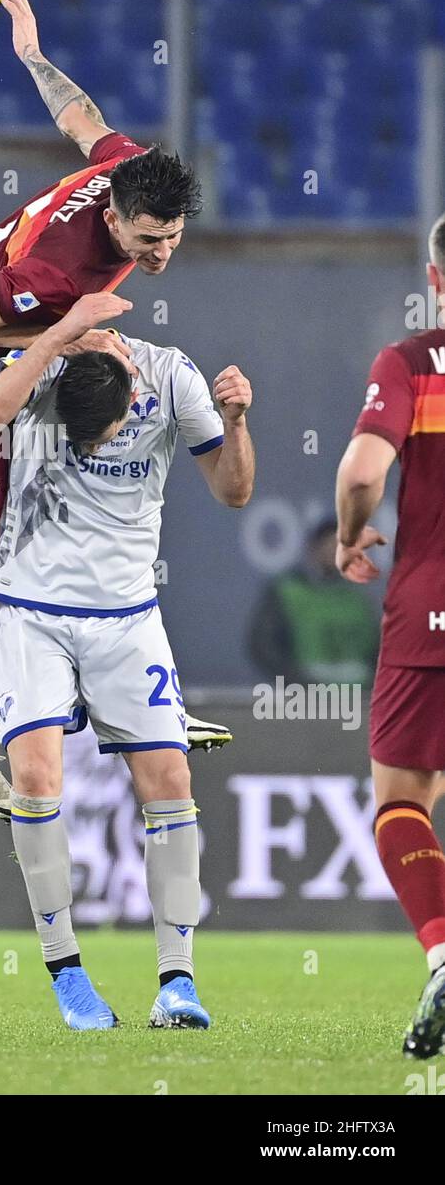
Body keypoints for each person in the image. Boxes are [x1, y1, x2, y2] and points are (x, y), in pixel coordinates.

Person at [0, 0, 214, 821]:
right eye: (147, 242)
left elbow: (83, 118)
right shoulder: (53, 278)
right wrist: (63, 329)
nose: (160, 255)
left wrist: (31, 53)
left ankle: (137, 702)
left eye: (174, 239)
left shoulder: (127, 170)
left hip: (5, 344)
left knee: (54, 505)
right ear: (113, 218)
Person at [0, 293, 254, 1029]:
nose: (92, 447)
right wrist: (53, 340)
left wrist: (234, 423)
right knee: (35, 778)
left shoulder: (172, 375)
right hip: (29, 610)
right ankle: (67, 974)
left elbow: (234, 490)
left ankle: (178, 984)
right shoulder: (42, 368)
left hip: (127, 618)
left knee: (171, 781)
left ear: (135, 394)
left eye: (101, 434)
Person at [334, 211, 445, 1059]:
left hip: (427, 613)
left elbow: (365, 471)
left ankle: (444, 954)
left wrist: (347, 536)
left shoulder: (411, 364)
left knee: (401, 800)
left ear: (435, 280)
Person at [247, 518, 379, 685]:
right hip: (307, 698)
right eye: (330, 545)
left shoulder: (358, 597)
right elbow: (264, 645)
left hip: (358, 696)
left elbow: (378, 647)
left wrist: (374, 680)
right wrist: (295, 680)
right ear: (314, 548)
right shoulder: (288, 593)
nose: (335, 552)